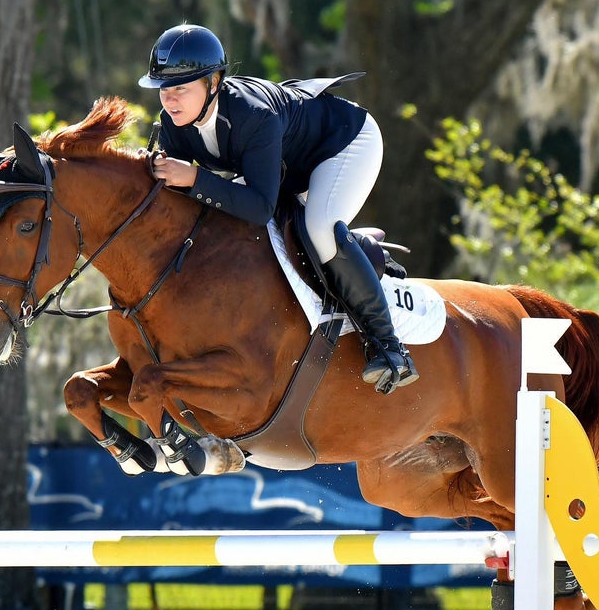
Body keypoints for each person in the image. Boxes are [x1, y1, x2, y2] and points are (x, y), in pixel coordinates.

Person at [138, 23, 419, 392]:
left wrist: (192, 179)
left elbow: (258, 207)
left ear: (213, 82)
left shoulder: (253, 115)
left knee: (320, 227)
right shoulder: (172, 126)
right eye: (164, 91)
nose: (170, 101)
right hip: (286, 165)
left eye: (180, 89)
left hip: (344, 145)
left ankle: (389, 348)